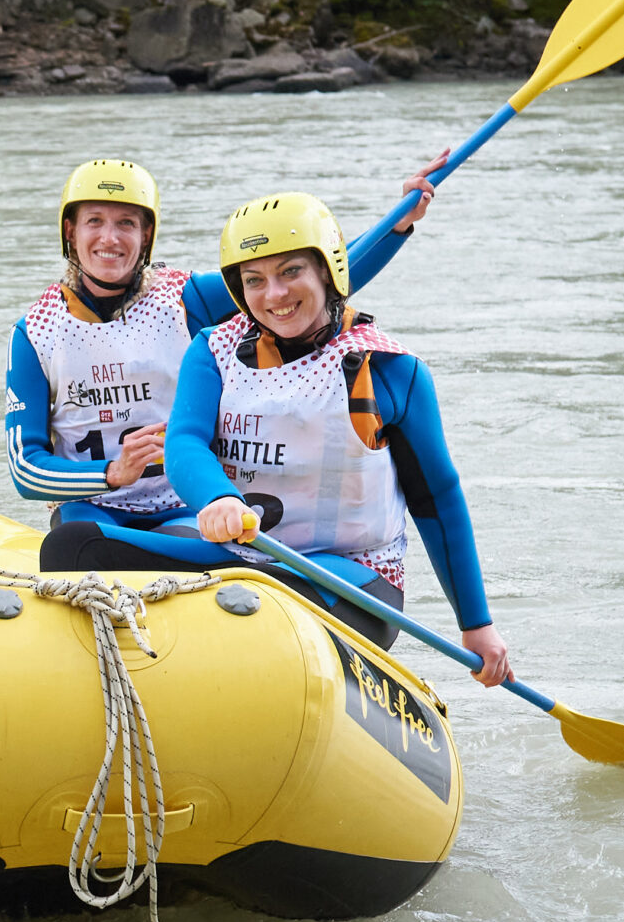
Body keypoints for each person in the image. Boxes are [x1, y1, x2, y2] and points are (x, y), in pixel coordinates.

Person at [37, 190, 513, 687]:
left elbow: (436, 500)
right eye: (255, 281)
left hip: (349, 576)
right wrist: (217, 498)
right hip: (242, 558)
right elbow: (185, 443)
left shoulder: (390, 369)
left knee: (262, 603)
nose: (275, 295)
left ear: (328, 271)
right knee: (72, 546)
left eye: (291, 272)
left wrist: (476, 624)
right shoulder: (213, 351)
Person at [5, 156, 440, 533]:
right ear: (70, 230)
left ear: (147, 235)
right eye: (94, 221)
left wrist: (397, 223)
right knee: (75, 541)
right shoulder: (36, 332)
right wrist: (112, 473)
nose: (110, 238)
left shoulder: (184, 298)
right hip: (92, 509)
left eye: (126, 224)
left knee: (185, 547)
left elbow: (319, 284)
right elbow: (26, 469)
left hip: (186, 505)